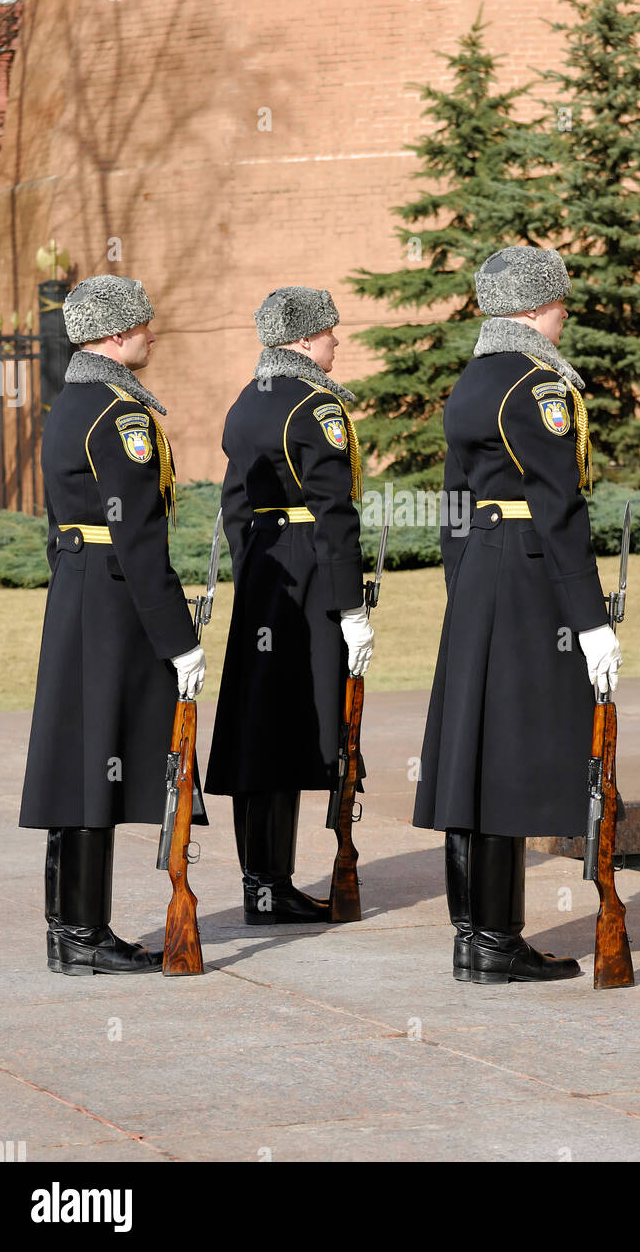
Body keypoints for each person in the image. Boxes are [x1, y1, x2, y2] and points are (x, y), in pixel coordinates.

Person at [414, 246, 622, 984]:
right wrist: (591, 619)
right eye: (561, 303)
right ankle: (496, 943)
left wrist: (464, 582)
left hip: (480, 576)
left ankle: (477, 936)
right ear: (538, 308)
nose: (566, 315)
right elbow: (560, 508)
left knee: (475, 759)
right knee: (504, 760)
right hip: (528, 577)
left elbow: (452, 507)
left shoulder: (473, 379)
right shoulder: (537, 386)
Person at [20, 275, 206, 976]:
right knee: (97, 760)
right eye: (144, 325)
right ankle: (83, 933)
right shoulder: (120, 413)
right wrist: (179, 640)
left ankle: (68, 930)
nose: (152, 335)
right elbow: (140, 541)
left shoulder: (70, 403)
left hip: (77, 590)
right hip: (111, 600)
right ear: (117, 335)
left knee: (78, 761)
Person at [205, 286, 372, 924]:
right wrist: (350, 605)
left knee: (262, 728)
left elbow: (234, 507)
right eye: (329, 331)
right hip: (307, 573)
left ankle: (264, 884)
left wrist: (256, 569)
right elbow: (335, 512)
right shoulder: (313, 403)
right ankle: (272, 887)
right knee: (302, 725)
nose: (336, 340)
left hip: (264, 575)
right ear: (303, 340)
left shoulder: (248, 401)